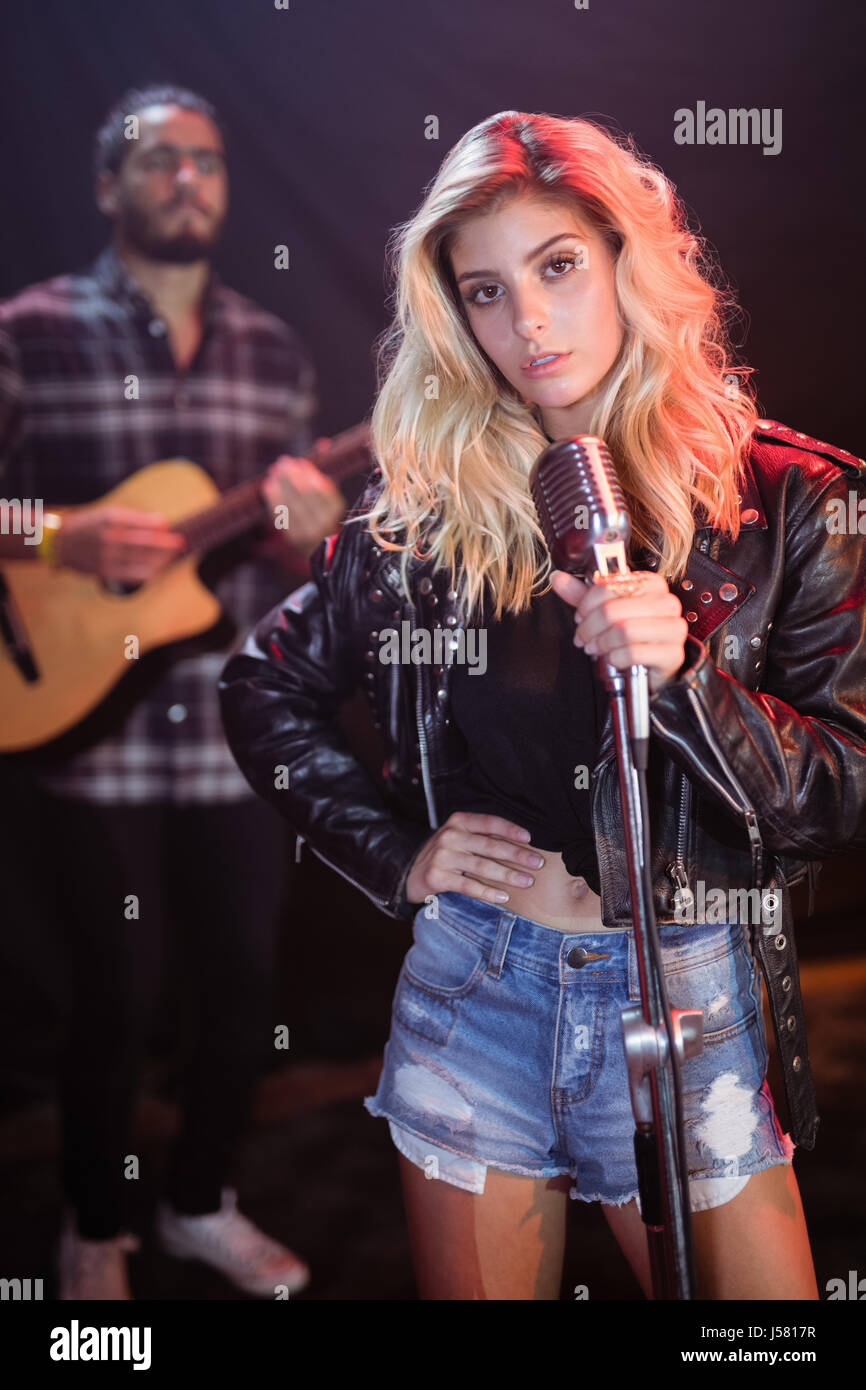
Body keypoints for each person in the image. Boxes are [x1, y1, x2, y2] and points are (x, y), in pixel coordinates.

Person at [217, 111, 866, 1300]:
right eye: (483, 289)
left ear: (627, 259)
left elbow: (841, 791)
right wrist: (396, 854)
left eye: (557, 267)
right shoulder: (418, 515)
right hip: (478, 987)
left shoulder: (789, 500)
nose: (524, 322)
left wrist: (685, 681)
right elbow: (262, 683)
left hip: (677, 986)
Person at [0, 84, 346, 1299]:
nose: (186, 179)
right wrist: (58, 537)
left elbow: (303, 559)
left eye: (205, 162)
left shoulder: (274, 350)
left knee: (243, 982)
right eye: (158, 162)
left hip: (235, 731)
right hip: (88, 735)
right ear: (108, 186)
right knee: (114, 992)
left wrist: (321, 536)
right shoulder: (27, 330)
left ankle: (200, 1198)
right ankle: (95, 1225)